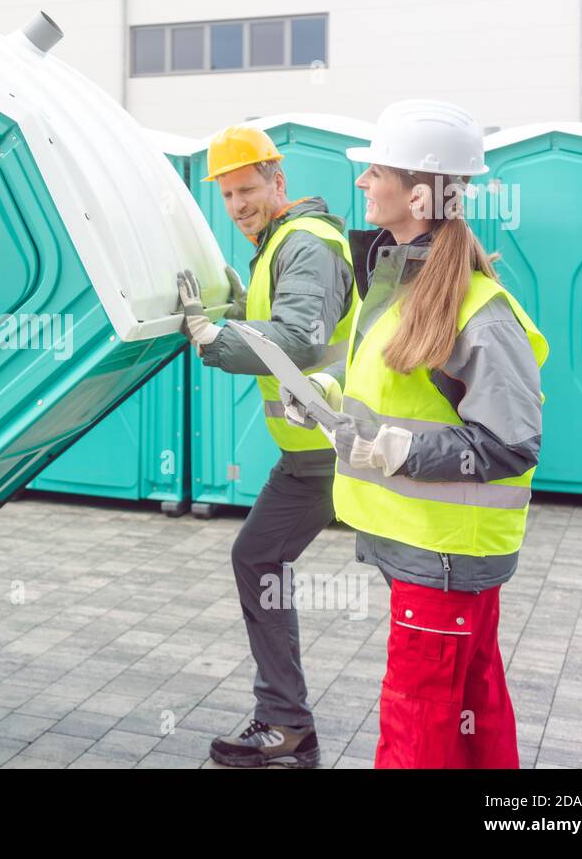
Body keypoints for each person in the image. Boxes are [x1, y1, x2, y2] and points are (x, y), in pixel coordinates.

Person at [282, 99, 547, 768]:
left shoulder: (478, 311)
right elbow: (400, 398)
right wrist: (327, 400)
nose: (363, 183)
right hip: (428, 549)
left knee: (418, 718)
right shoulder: (401, 281)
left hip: (447, 554)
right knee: (472, 706)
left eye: (376, 171)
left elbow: (511, 443)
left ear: (421, 191)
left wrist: (404, 450)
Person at [176, 125, 357, 768]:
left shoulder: (304, 242)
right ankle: (286, 724)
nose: (237, 206)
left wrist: (215, 338)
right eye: (226, 196)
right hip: (313, 453)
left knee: (262, 559)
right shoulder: (280, 244)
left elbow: (301, 340)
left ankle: (288, 723)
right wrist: (240, 294)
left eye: (247, 189)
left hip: (336, 448)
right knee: (258, 558)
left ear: (279, 181)